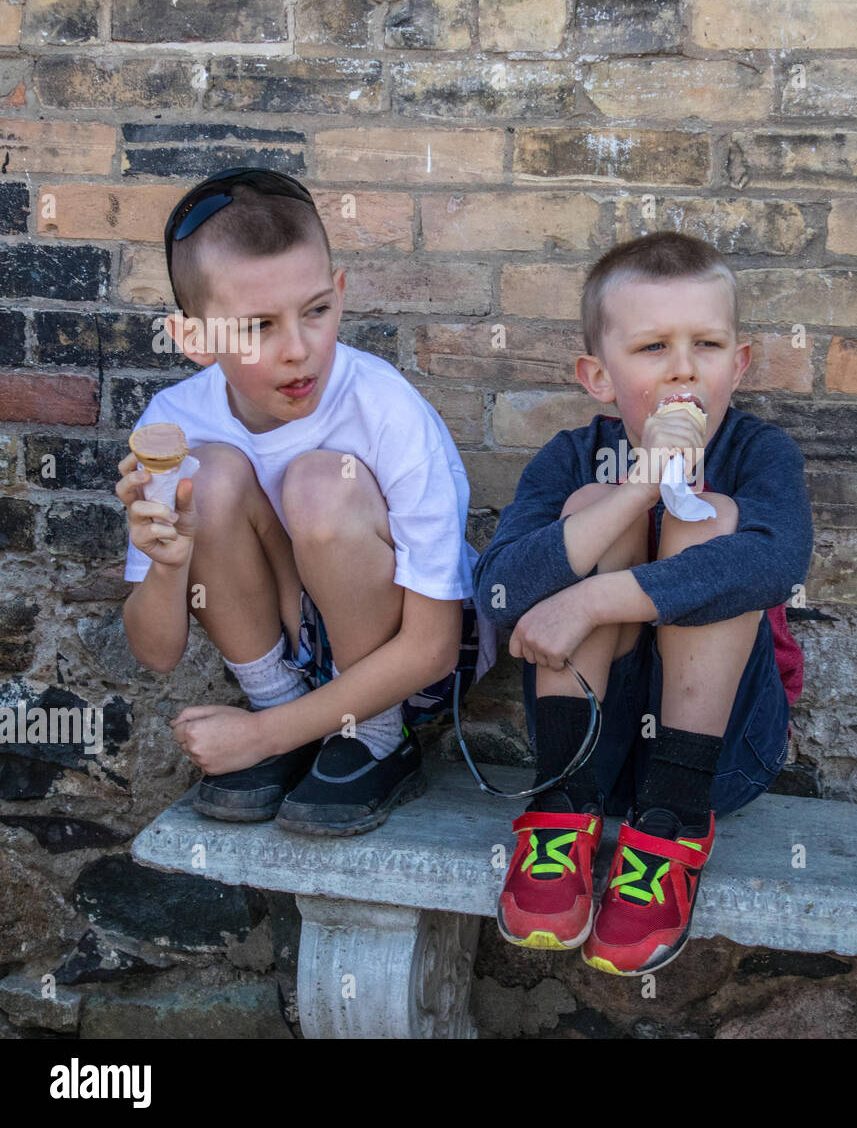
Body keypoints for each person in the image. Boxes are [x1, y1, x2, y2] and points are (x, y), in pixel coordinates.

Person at [114, 167, 493, 837]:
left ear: (340, 291)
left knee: (323, 483)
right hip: (299, 647)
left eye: (316, 310)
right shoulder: (174, 424)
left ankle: (374, 742)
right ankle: (289, 716)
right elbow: (156, 653)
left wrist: (257, 737)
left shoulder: (386, 411)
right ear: (196, 339)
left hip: (416, 672)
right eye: (258, 326)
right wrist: (168, 564)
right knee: (212, 472)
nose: (299, 351)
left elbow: (432, 650)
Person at [473, 230, 812, 975]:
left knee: (709, 522)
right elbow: (497, 592)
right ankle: (560, 816)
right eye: (654, 348)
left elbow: (777, 565)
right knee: (592, 504)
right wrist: (636, 487)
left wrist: (596, 599)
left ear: (741, 362)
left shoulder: (761, 454)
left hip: (719, 756)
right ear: (599, 376)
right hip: (590, 744)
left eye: (709, 346)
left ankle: (671, 829)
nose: (685, 369)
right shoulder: (569, 457)